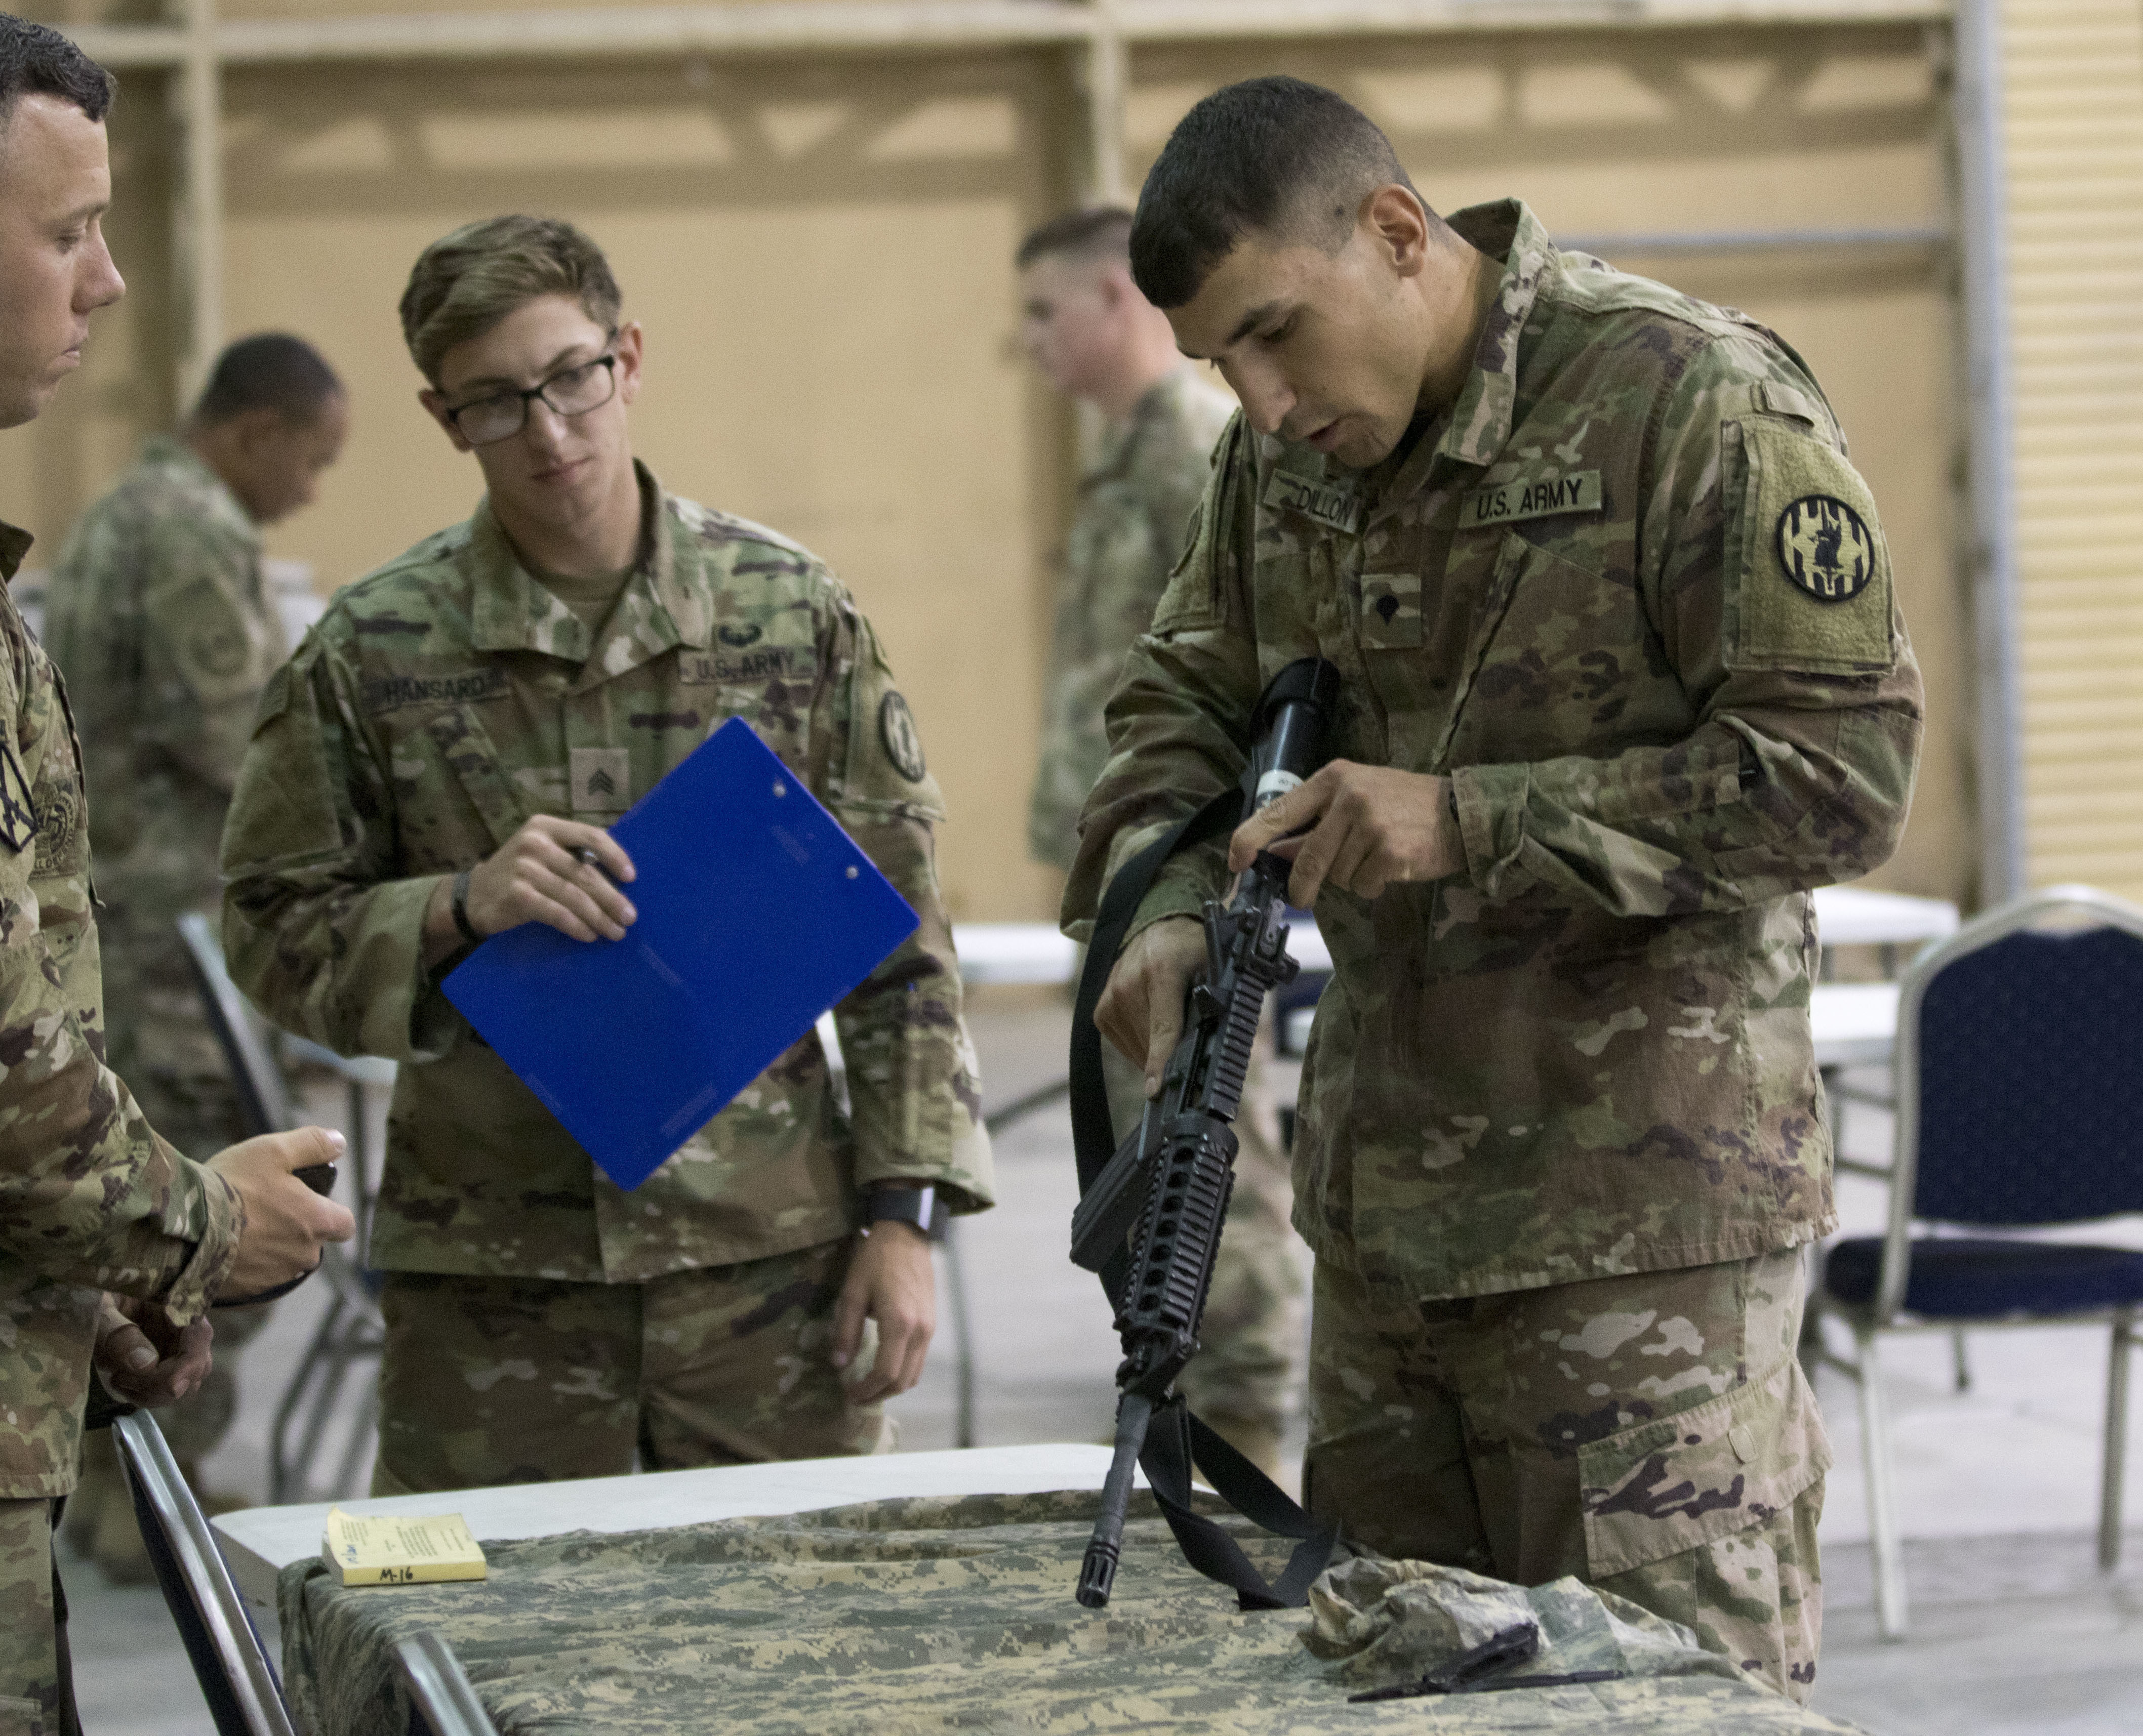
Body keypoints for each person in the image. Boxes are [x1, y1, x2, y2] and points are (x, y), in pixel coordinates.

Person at [1066, 77, 1923, 1701]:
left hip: (1638, 1254)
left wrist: (1472, 820)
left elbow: (1844, 772)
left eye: (1274, 335)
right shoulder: (1288, 459)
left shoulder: (1684, 401)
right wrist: (1165, 893)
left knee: (1662, 1701)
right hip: (1387, 1241)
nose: (1256, 402)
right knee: (1398, 1692)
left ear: (1397, 233)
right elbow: (1179, 697)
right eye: (1216, 366)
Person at [220, 215, 994, 1496]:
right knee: (481, 1661)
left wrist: (902, 1220)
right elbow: (269, 928)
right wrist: (456, 907)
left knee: (790, 1650)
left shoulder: (789, 615)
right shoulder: (373, 651)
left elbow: (901, 947)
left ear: (626, 358)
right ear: (441, 416)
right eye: (494, 402)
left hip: (765, 1267)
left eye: (571, 377)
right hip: (492, 1286)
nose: (548, 431)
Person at [0, 20, 355, 1729]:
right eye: (67, 232)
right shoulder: (183, 536)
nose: (111, 283)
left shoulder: (81, 535)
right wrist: (196, 1229)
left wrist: (90, 1292)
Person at [45, 332, 348, 1582]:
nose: (312, 489)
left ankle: (136, 1482)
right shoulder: (184, 529)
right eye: (314, 458)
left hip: (125, 923)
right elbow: (236, 739)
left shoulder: (128, 511)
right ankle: (139, 1497)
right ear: (260, 428)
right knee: (197, 1215)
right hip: (168, 939)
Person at [1017, 205, 1304, 1478]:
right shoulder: (1124, 453)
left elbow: (1246, 673)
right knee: (1157, 1129)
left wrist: (1207, 874)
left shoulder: (1198, 447)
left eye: (1044, 311)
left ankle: (1239, 1399)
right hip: (1128, 864)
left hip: (1188, 874)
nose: (1028, 343)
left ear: (1115, 303)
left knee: (1202, 1126)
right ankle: (1192, 1386)